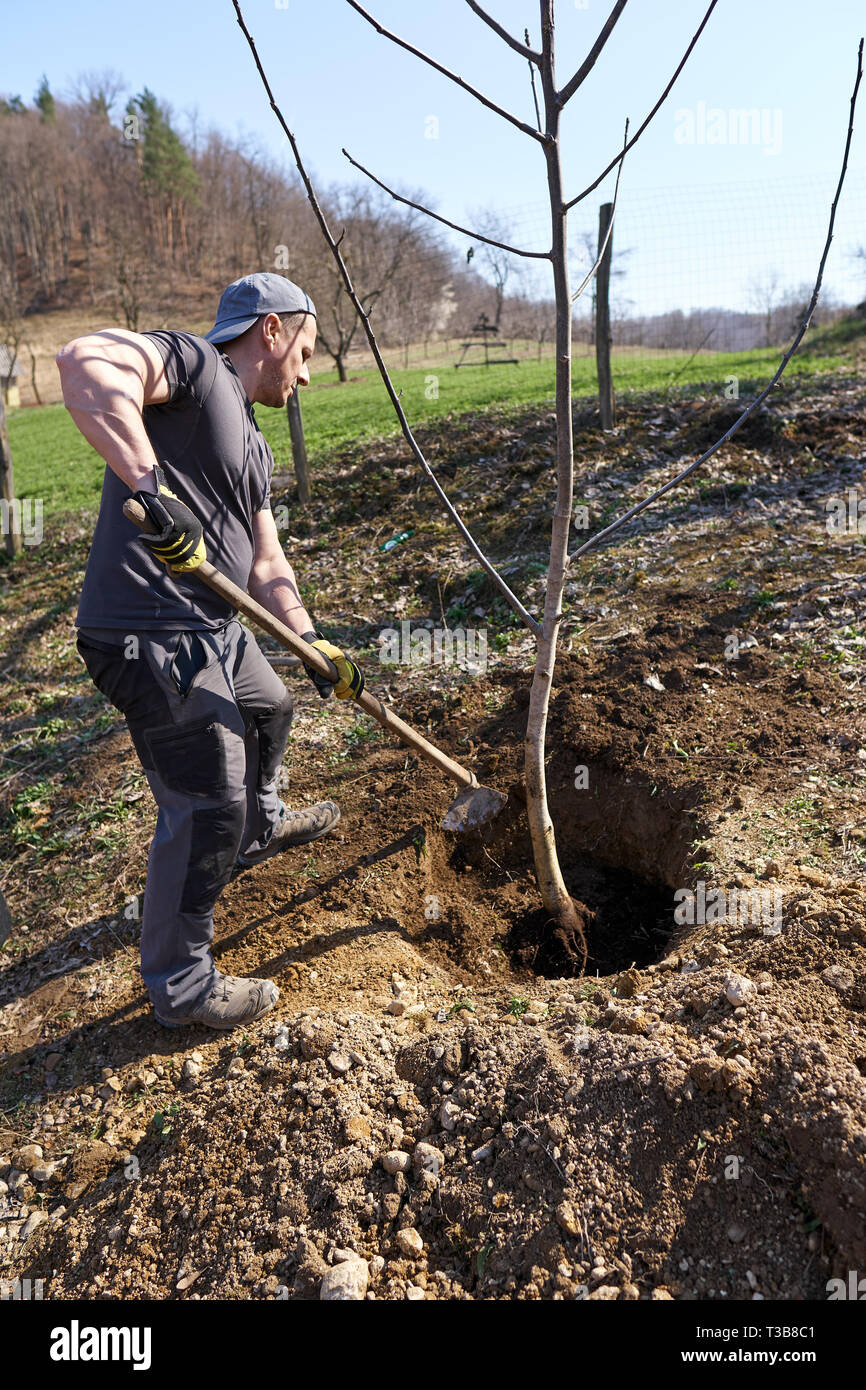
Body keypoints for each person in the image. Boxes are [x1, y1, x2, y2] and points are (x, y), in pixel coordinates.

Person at [56, 272, 364, 1031]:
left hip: (213, 625)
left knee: (273, 705)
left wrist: (312, 637)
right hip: (150, 631)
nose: (308, 369)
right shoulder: (196, 369)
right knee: (206, 805)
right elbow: (85, 360)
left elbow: (267, 561)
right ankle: (182, 986)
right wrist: (151, 490)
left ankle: (261, 825)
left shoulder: (252, 445)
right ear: (273, 329)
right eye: (308, 349)